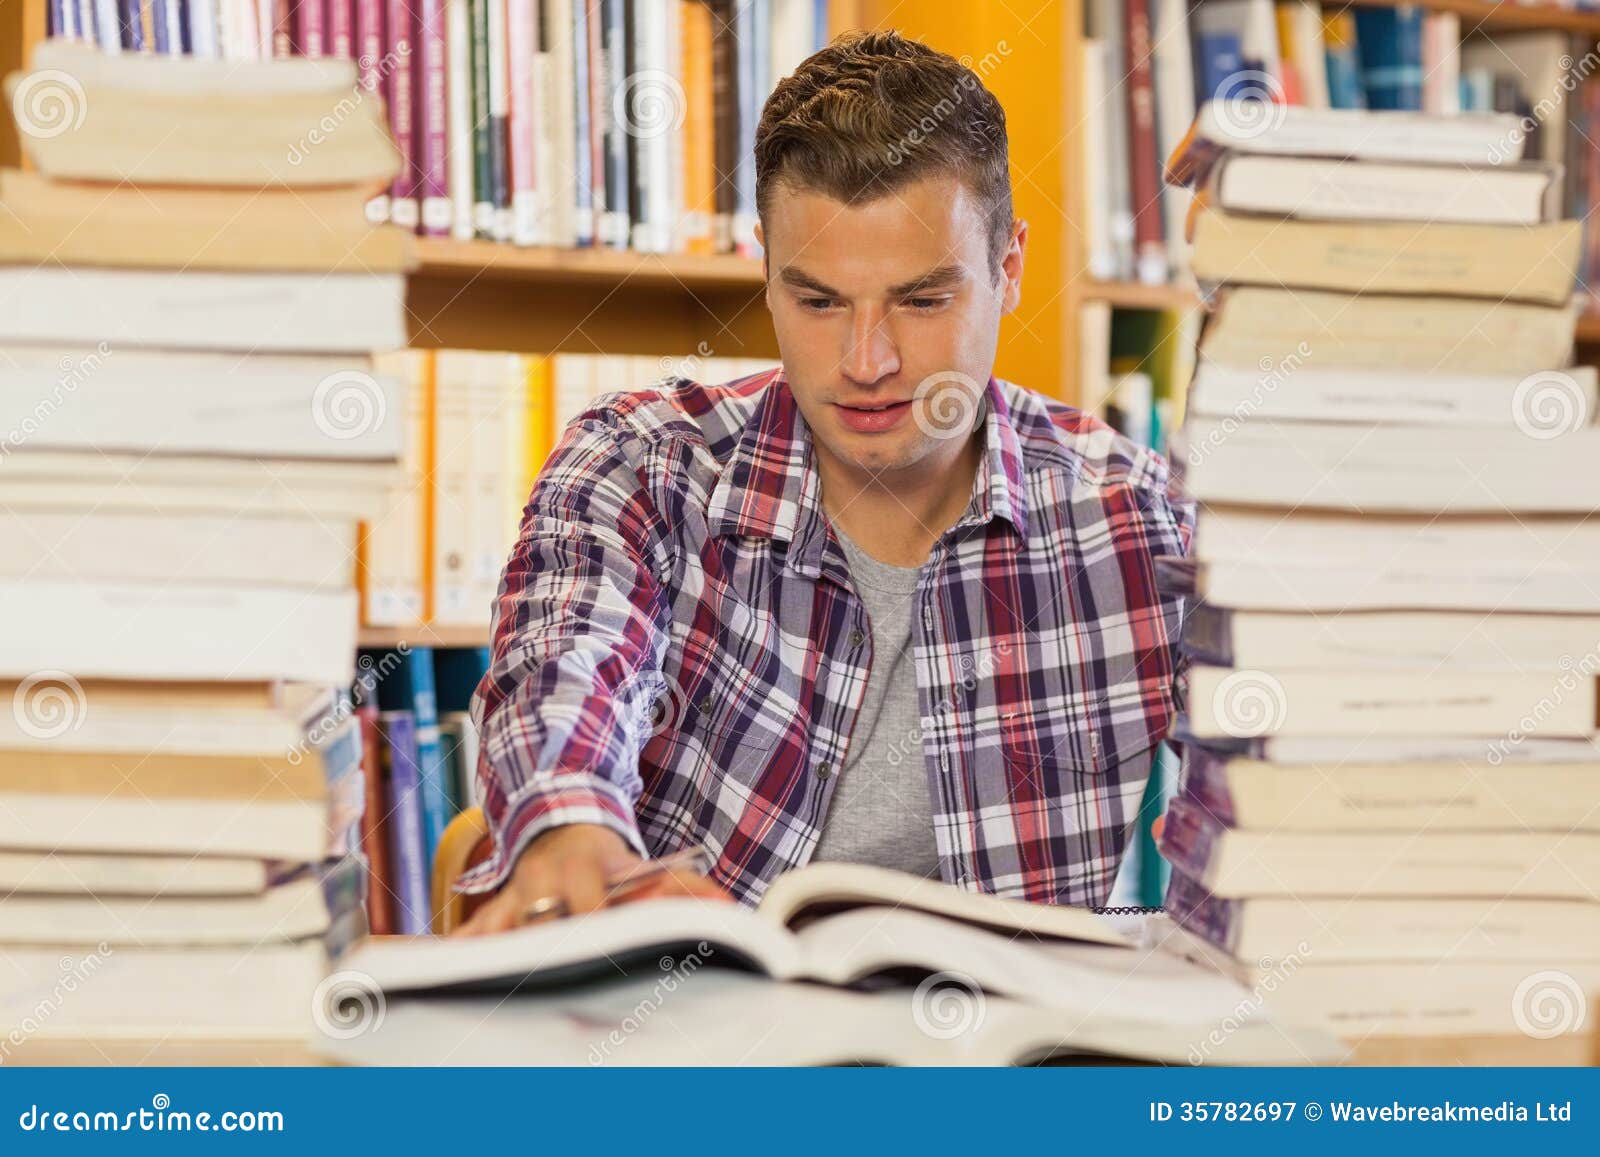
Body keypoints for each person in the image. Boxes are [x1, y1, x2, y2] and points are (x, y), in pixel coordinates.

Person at [455, 29, 1191, 936]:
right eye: (818, 301)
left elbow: (1306, 746)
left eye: (922, 301)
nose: (867, 361)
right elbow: (566, 661)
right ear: (766, 269)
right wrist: (567, 823)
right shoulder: (642, 466)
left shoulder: (1135, 515)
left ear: (1009, 271)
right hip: (708, 1055)